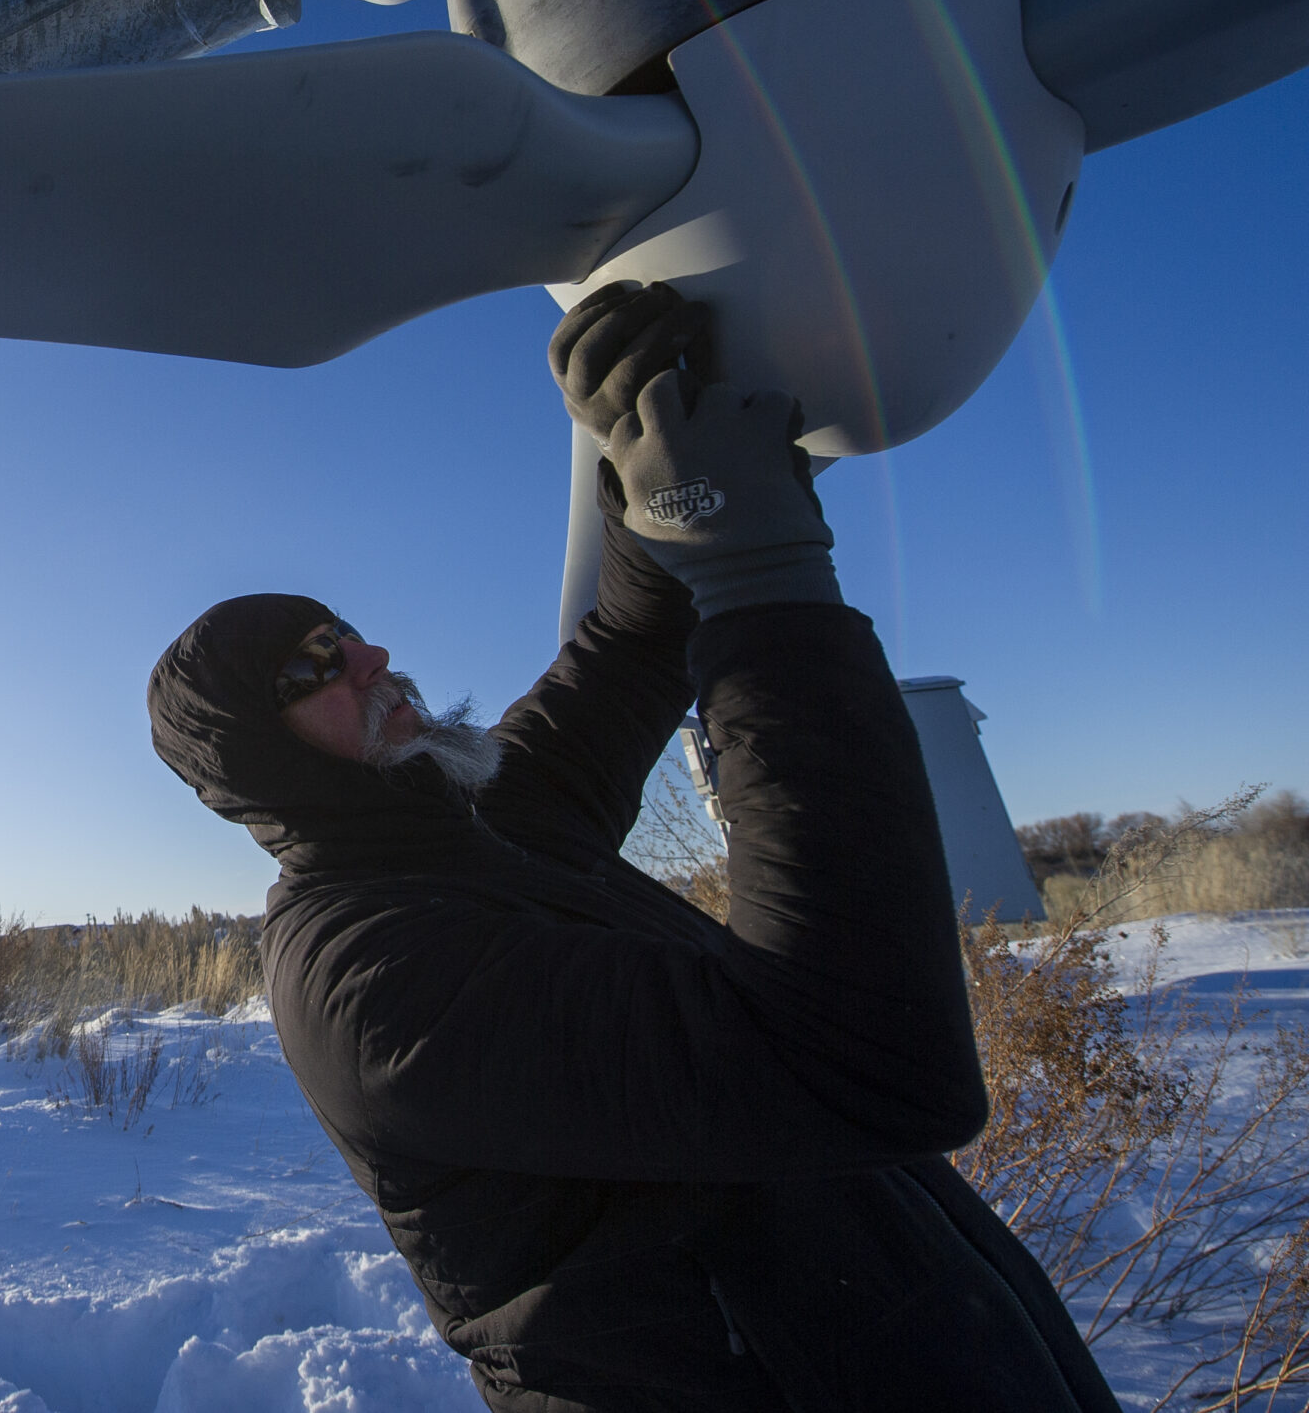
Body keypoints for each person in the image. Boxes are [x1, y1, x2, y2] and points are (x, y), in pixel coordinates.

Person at [146, 281, 1119, 1412]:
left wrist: (643, 458)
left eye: (341, 631)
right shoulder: (367, 979)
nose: (367, 655)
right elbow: (865, 1062)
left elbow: (628, 638)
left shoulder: (484, 817)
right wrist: (761, 573)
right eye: (311, 669)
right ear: (258, 757)